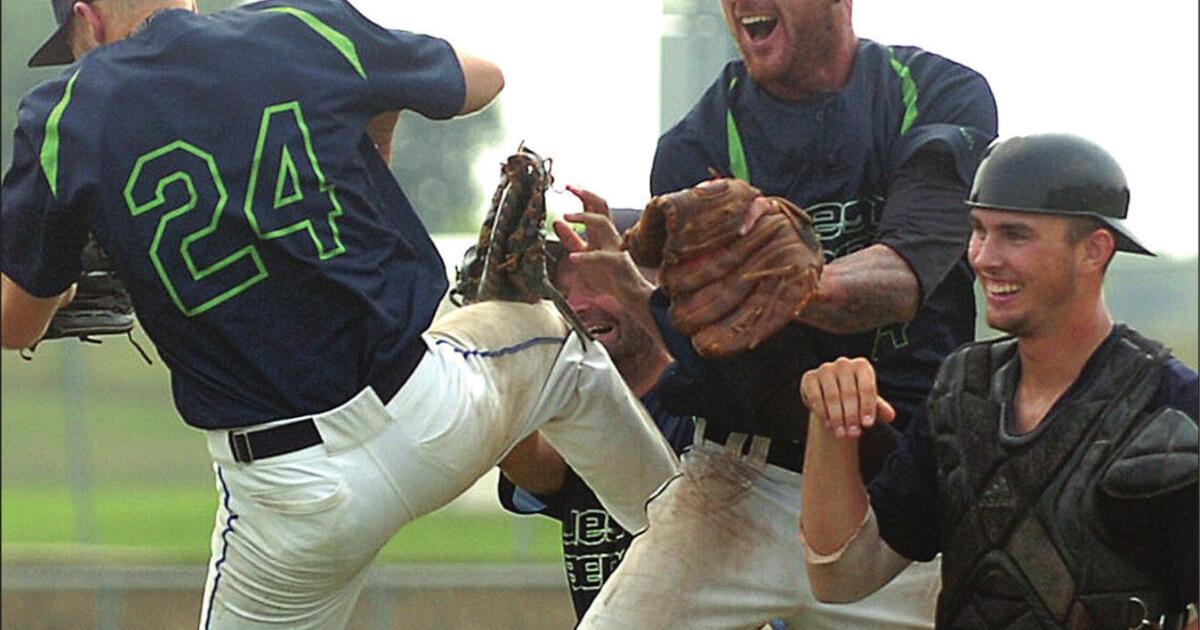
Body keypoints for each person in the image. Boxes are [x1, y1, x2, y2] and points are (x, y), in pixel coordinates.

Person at [0, 1, 679, 628]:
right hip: (432, 413)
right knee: (558, 344)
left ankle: (677, 539)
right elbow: (484, 80)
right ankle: (683, 537)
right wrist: (377, 112)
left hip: (285, 502)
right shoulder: (294, 27)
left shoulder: (63, 117)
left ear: (86, 17)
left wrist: (55, 291)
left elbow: (14, 323)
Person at [574, 0, 998, 628]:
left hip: (902, 499)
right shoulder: (698, 143)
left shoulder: (935, 94)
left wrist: (793, 284)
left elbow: (908, 272)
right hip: (739, 486)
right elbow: (733, 360)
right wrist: (642, 289)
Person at [799, 134, 1199, 629]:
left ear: (1094, 250)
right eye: (978, 231)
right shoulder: (961, 392)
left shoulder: (1173, 408)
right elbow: (842, 577)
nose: (984, 257)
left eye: (1014, 234)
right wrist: (830, 422)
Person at [496, 204, 696, 622]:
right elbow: (534, 466)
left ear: (660, 284)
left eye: (597, 282)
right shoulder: (575, 408)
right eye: (564, 292)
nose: (577, 306)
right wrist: (499, 332)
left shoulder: (706, 404)